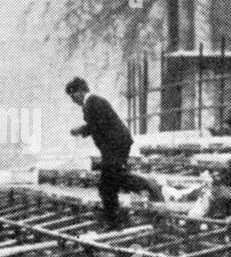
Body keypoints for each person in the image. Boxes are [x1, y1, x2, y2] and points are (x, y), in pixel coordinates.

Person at [66, 77, 164, 229]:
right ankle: (115, 220)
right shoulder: (92, 103)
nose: (73, 101)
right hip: (114, 146)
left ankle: (146, 189)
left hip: (115, 145)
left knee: (108, 184)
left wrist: (81, 130)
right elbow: (97, 124)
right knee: (112, 182)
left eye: (72, 96)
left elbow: (98, 124)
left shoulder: (93, 102)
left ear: (79, 92)